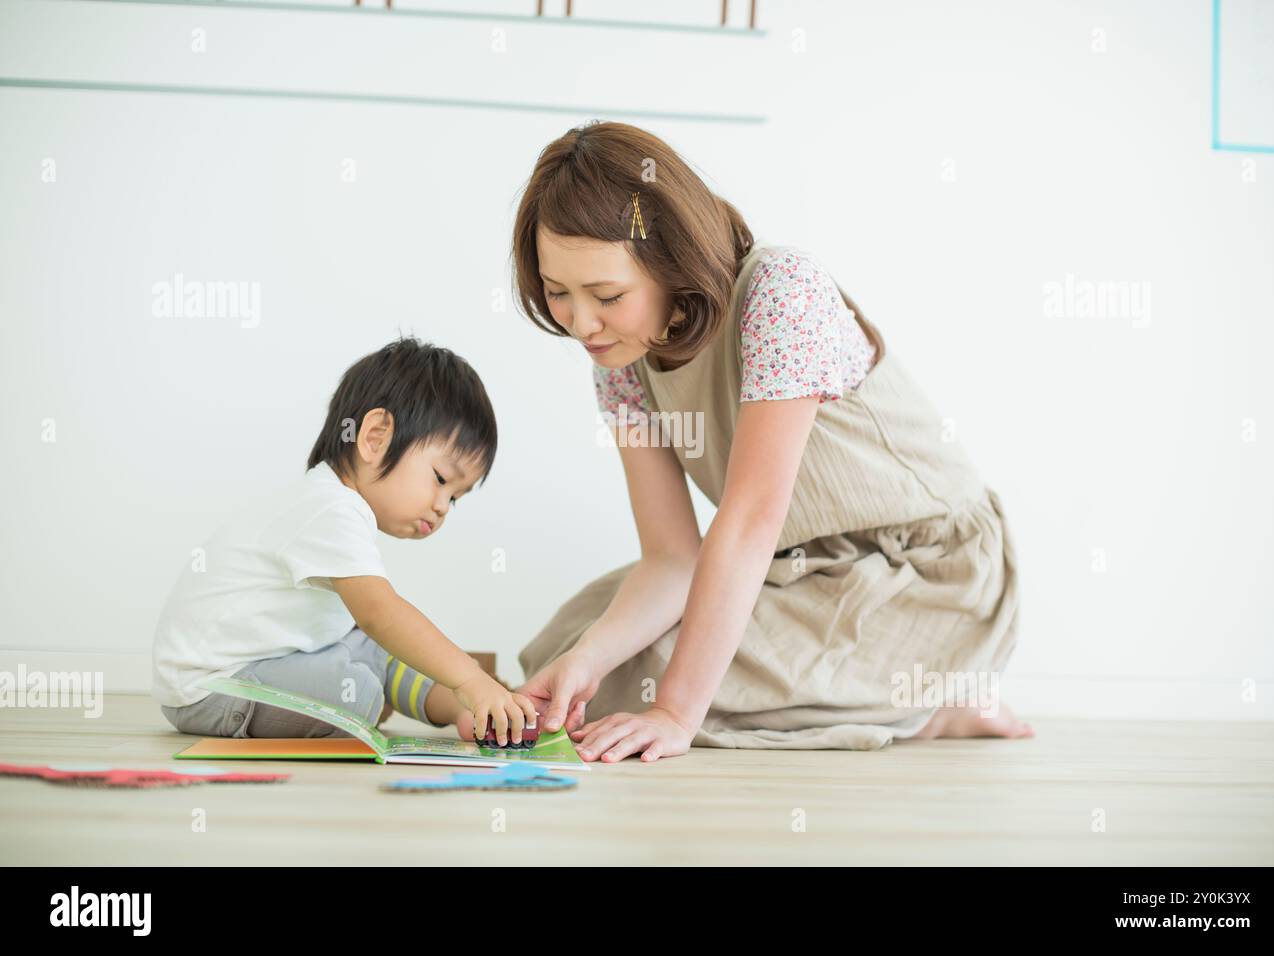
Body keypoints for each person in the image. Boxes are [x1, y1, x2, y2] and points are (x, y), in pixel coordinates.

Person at [509, 121, 1032, 763]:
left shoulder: (781, 293)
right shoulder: (619, 360)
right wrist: (586, 658)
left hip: (927, 574)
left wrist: (674, 712)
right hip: (799, 574)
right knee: (566, 645)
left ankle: (932, 703)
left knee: (651, 675)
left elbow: (752, 520)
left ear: (671, 261)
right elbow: (672, 559)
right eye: (558, 293)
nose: (581, 323)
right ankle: (886, 696)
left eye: (607, 295)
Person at [153, 337, 536, 745]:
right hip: (215, 690)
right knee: (357, 688)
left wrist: (472, 692)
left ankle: (468, 710)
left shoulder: (335, 508)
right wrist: (472, 677)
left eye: (455, 498)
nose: (443, 506)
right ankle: (425, 695)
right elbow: (380, 613)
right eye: (441, 479)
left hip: (268, 669)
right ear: (375, 438)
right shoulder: (328, 508)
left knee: (381, 653)